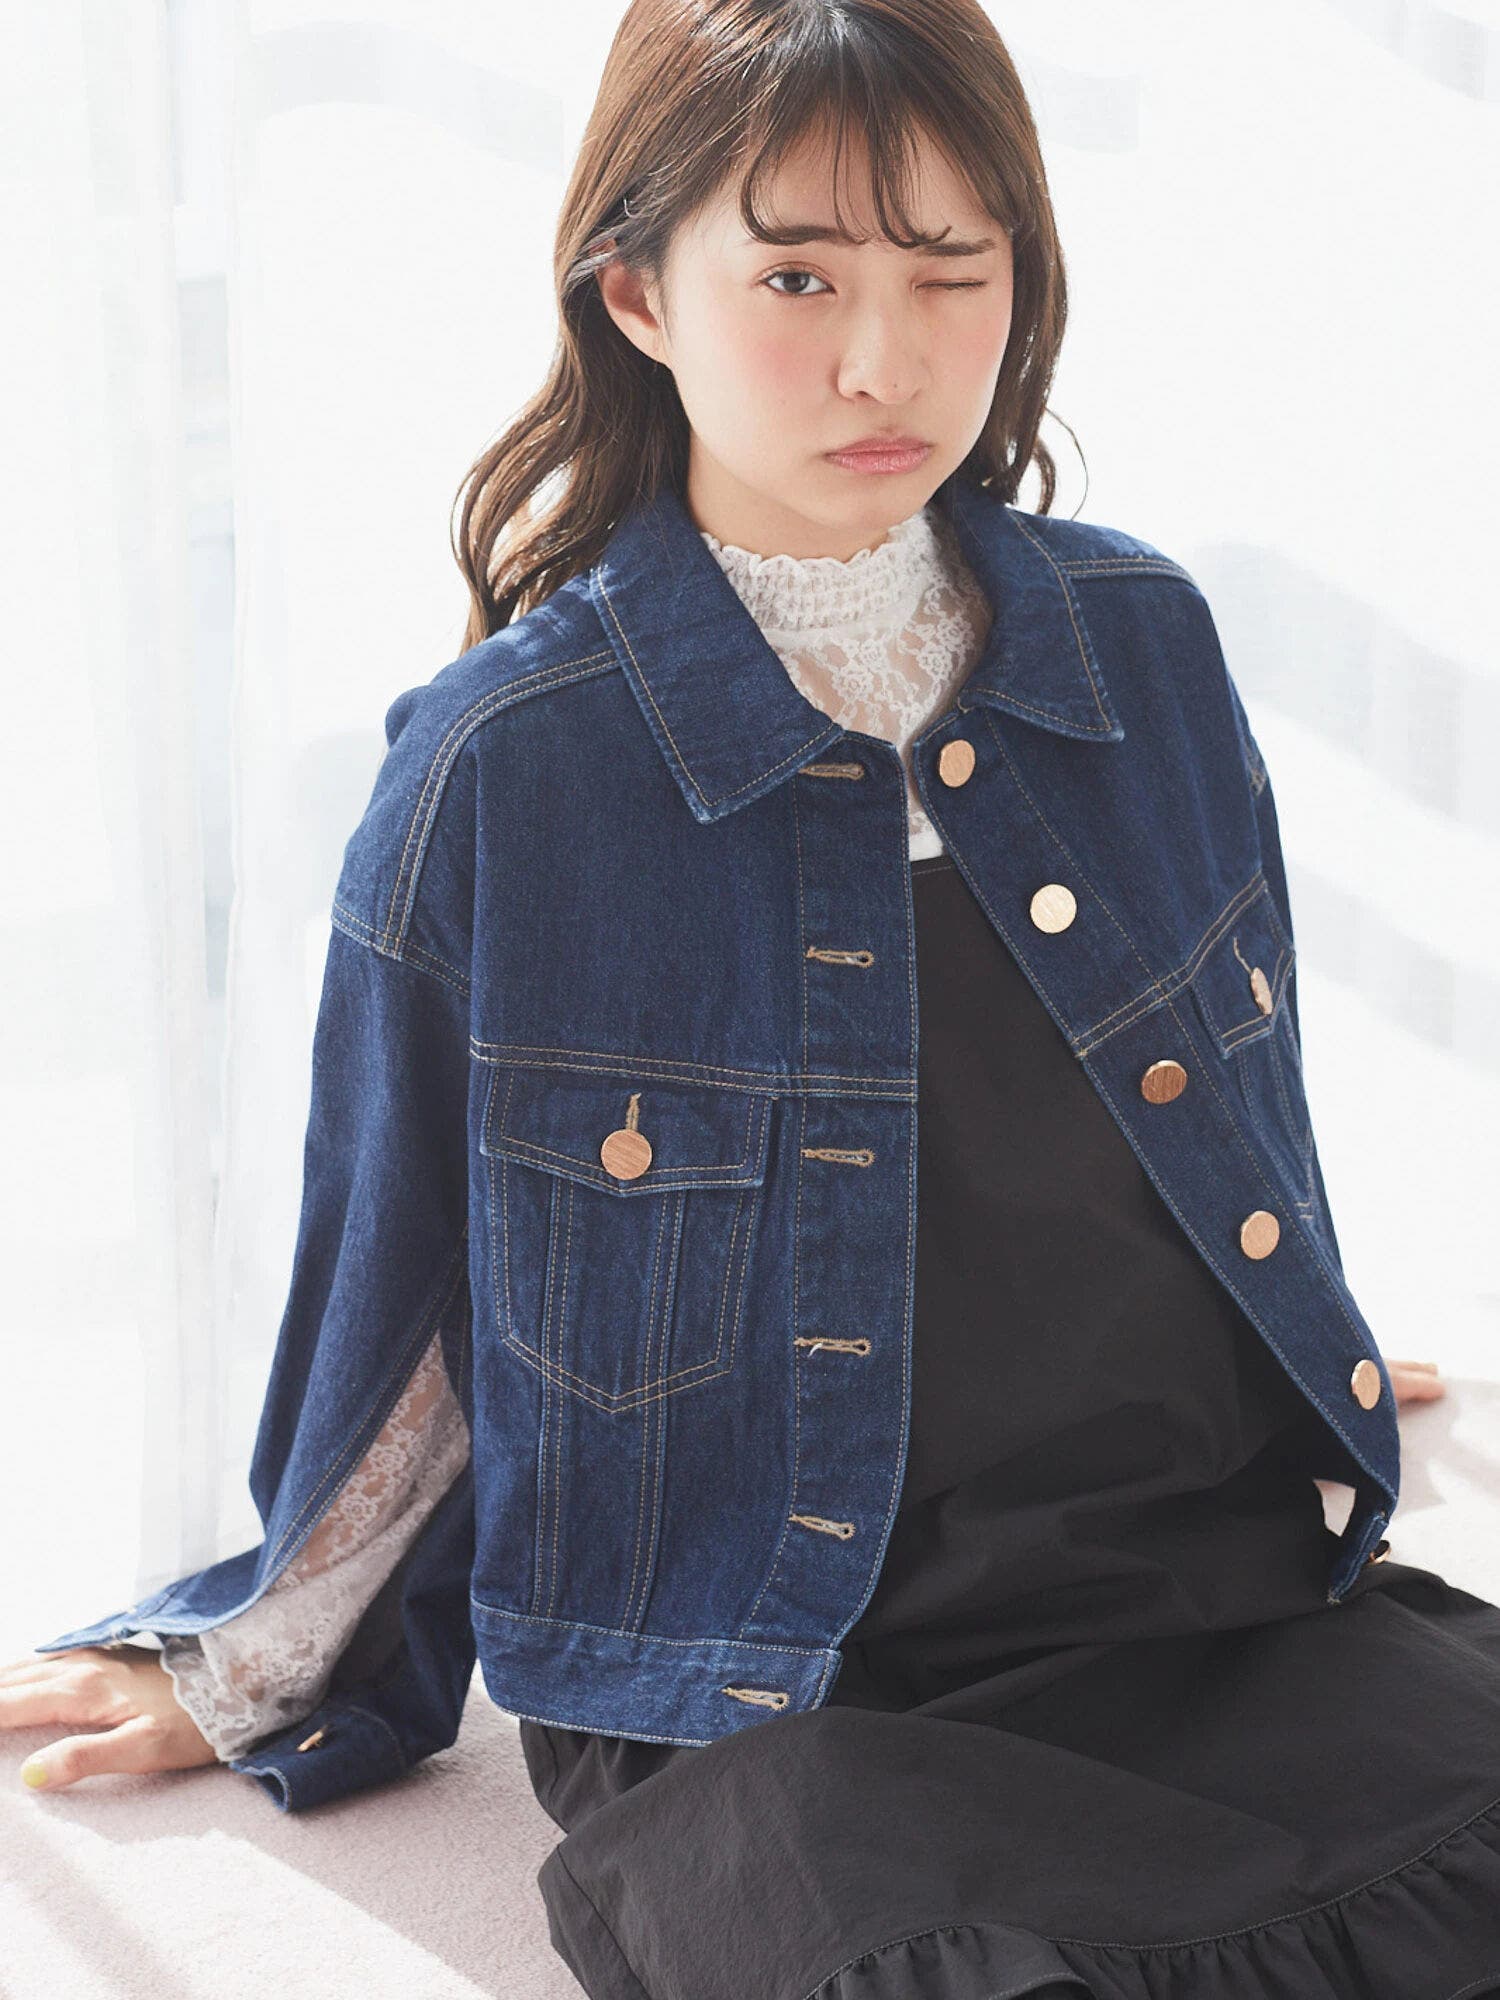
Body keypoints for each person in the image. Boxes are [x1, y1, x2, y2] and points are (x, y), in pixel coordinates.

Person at [6, 2, 1498, 1994]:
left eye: (950, 270)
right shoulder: (508, 766)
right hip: (774, 1679)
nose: (885, 360)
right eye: (798, 277)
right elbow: (408, 1269)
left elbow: (1240, 1080)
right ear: (636, 290)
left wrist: (1297, 1315)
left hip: (1192, 1576)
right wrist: (266, 1651)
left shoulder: (1138, 642)